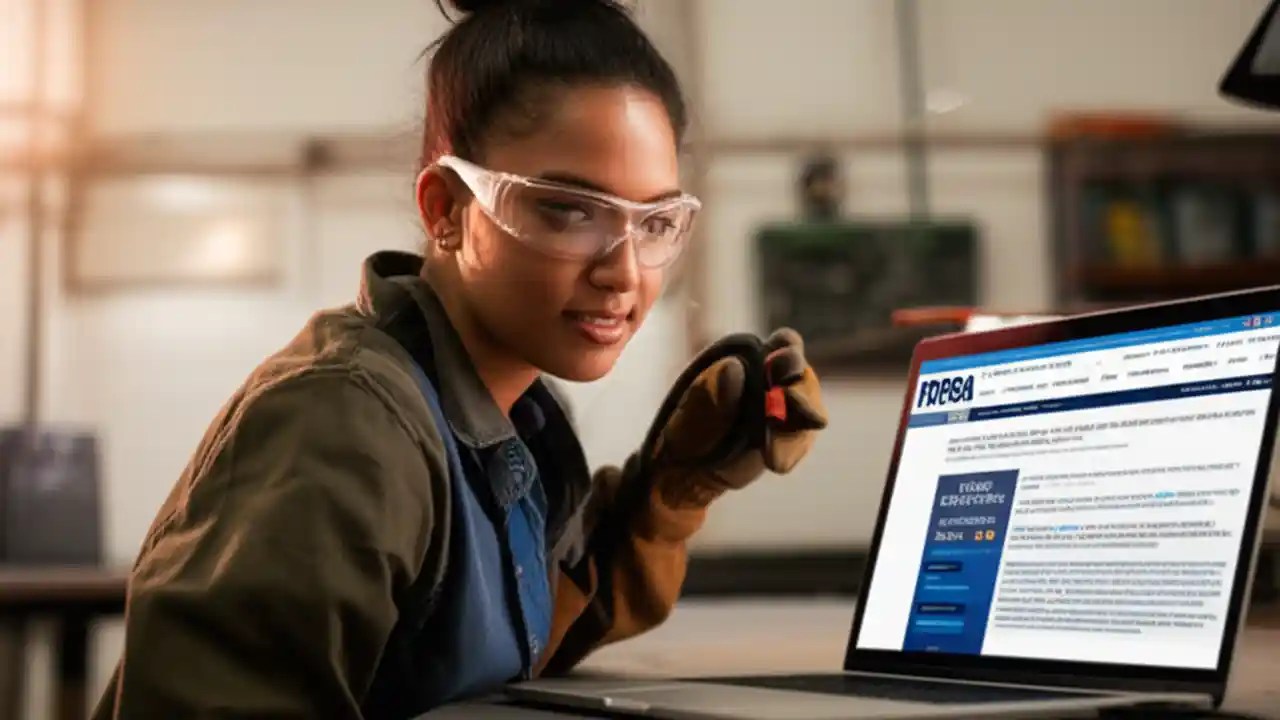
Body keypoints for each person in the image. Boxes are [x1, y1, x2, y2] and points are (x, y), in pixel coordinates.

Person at [92, 0, 829, 717]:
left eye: (656, 221)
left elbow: (526, 630)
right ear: (444, 208)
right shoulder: (346, 425)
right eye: (570, 211)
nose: (625, 272)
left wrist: (674, 486)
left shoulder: (520, 422)